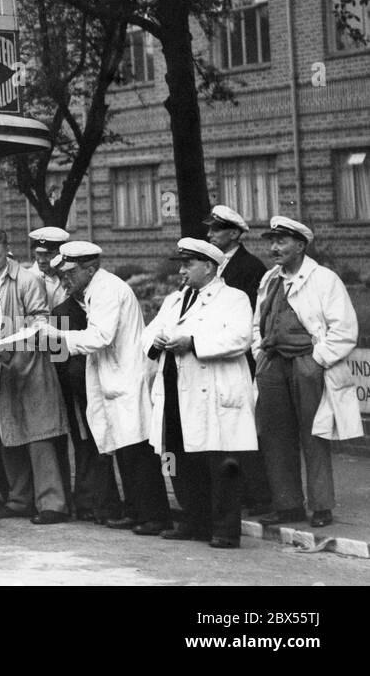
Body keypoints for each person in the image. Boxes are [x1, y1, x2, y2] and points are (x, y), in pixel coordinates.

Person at [35, 242, 170, 535]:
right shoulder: (94, 290)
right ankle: (137, 513)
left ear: (90, 268)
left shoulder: (107, 290)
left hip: (126, 380)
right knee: (123, 449)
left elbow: (100, 337)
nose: (66, 278)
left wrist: (57, 336)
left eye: (71, 272)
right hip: (114, 381)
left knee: (138, 453)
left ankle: (155, 516)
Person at [145, 238, 257, 549]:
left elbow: (239, 338)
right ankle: (192, 521)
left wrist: (192, 342)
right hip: (175, 390)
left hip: (212, 392)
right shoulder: (174, 300)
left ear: (209, 267)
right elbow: (149, 330)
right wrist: (157, 342)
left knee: (219, 464)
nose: (181, 271)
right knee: (178, 458)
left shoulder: (233, 299)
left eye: (187, 264)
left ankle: (224, 529)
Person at [253, 216, 363, 528]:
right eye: (272, 242)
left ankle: (322, 507)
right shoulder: (269, 280)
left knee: (314, 435)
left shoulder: (324, 280)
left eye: (281, 241)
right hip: (273, 363)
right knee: (275, 436)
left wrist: (316, 359)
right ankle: (288, 507)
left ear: (300, 245)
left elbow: (344, 330)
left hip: (307, 364)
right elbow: (255, 324)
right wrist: (259, 354)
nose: (274, 248)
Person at [0, 228, 70, 524]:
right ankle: (19, 500)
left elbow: (41, 321)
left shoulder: (28, 280)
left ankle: (52, 504)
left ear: (7, 252)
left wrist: (14, 344)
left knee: (39, 437)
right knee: (10, 433)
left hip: (30, 365)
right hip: (0, 365)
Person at [204, 204, 272, 516]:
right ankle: (240, 493)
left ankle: (258, 497)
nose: (210, 234)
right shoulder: (214, 265)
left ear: (234, 233)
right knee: (226, 430)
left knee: (245, 428)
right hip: (214, 355)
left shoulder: (249, 267)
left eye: (216, 230)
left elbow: (249, 318)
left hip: (240, 357)